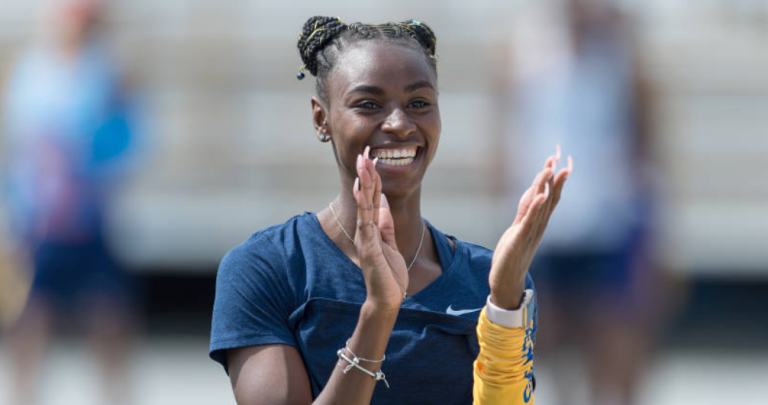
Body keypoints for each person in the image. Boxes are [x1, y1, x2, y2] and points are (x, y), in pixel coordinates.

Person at [209, 16, 572, 405]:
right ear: (322, 118)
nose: (400, 124)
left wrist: (502, 305)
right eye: (369, 104)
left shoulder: (489, 280)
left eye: (419, 103)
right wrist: (379, 312)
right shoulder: (268, 267)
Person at [502, 1, 661, 404]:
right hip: (546, 219)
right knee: (543, 339)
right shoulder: (524, 48)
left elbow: (647, 142)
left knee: (615, 342)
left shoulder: (623, 53)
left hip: (610, 215)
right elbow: (508, 129)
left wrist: (652, 223)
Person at [1, 1, 139, 404]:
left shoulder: (109, 73)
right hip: (37, 218)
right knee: (29, 318)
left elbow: (128, 139)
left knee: (108, 316)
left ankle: (117, 394)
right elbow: (19, 145)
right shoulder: (30, 68)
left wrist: (87, 157)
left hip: (86, 215)